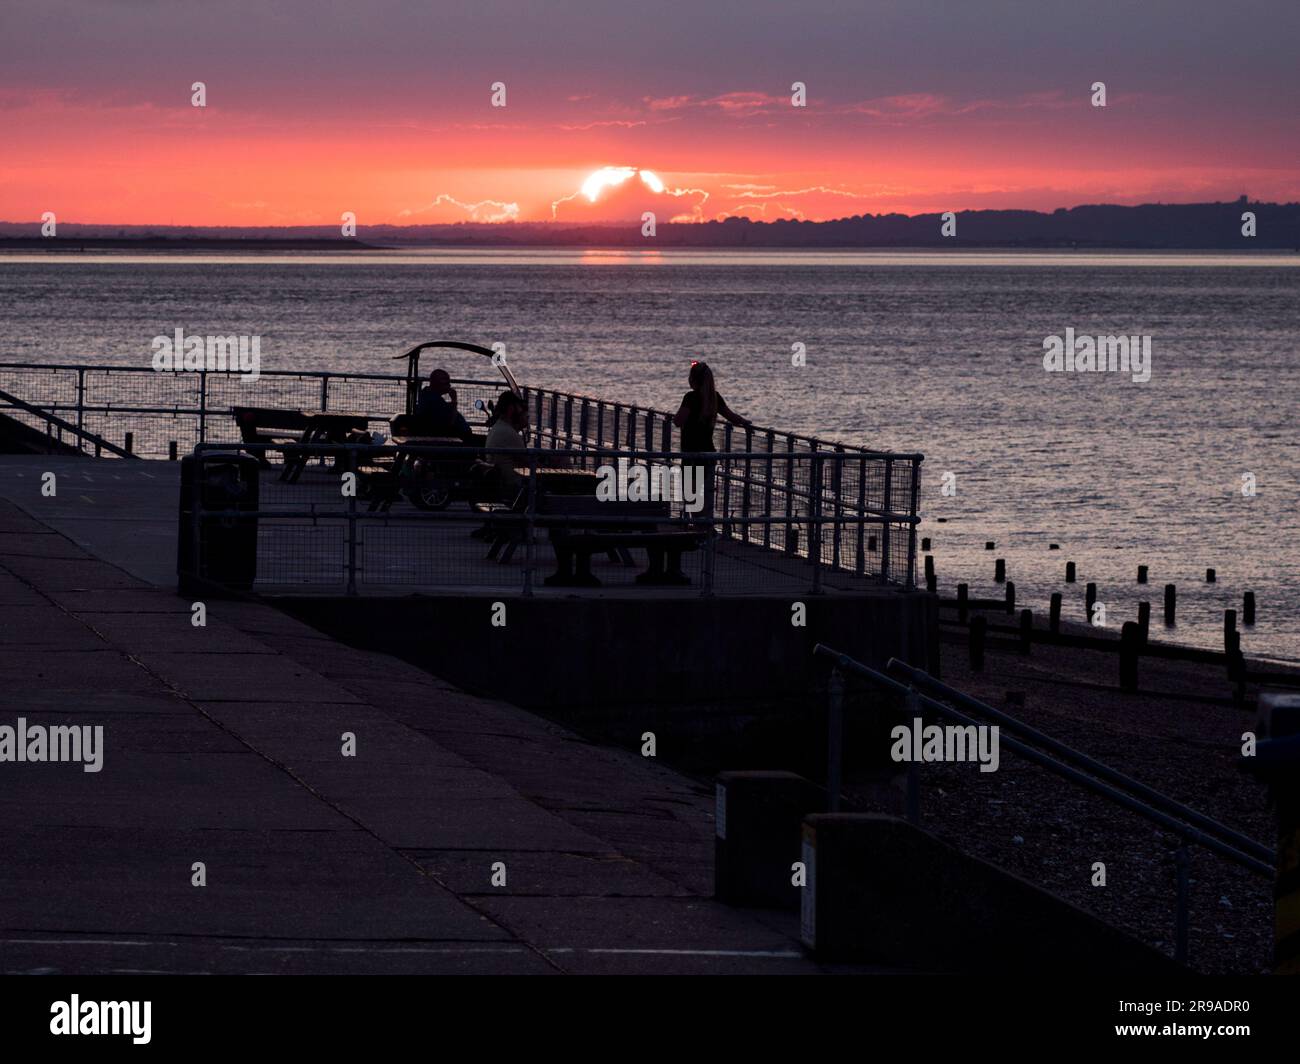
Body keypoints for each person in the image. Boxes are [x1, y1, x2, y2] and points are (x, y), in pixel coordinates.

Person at [672, 360, 751, 522]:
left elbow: (678, 421)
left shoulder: (690, 397)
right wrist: (744, 422)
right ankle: (706, 527)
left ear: (693, 379)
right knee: (705, 494)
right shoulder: (714, 398)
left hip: (690, 452)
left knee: (691, 494)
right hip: (708, 453)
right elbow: (731, 416)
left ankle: (699, 527)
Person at [484, 390, 529, 494]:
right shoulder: (508, 433)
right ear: (511, 410)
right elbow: (530, 462)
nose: (522, 411)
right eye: (519, 408)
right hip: (515, 484)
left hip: (504, 480)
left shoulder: (499, 427)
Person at [415, 367, 476, 443]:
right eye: (446, 383)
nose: (449, 386)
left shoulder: (429, 395)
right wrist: (454, 401)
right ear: (437, 383)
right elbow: (450, 422)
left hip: (459, 435)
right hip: (457, 437)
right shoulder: (433, 400)